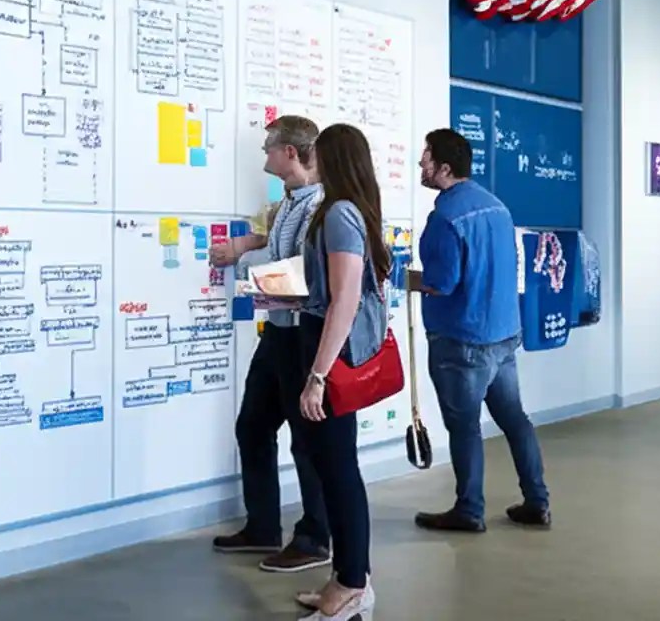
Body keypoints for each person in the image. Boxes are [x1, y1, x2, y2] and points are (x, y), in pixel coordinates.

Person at [408, 128, 551, 532]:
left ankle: (469, 510)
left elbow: (442, 282)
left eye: (426, 157)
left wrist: (405, 278)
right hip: (503, 336)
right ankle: (537, 501)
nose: (421, 163)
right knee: (514, 419)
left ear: (445, 168)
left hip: (463, 341)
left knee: (464, 427)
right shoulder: (497, 207)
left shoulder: (446, 217)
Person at [208, 115, 331, 573]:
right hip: (278, 332)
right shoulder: (289, 202)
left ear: (291, 153)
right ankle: (262, 526)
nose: (264, 155)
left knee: (307, 440)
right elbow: (278, 252)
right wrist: (245, 251)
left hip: (302, 336)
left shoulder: (320, 205)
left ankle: (316, 537)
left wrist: (245, 274)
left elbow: (299, 274)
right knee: (253, 426)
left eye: (268, 148)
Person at [293, 123, 389, 619]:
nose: (312, 162)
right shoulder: (350, 211)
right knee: (333, 466)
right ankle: (349, 577)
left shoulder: (339, 215)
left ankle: (352, 583)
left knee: (338, 470)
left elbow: (345, 299)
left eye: (319, 155)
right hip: (322, 343)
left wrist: (317, 376)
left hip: (328, 353)